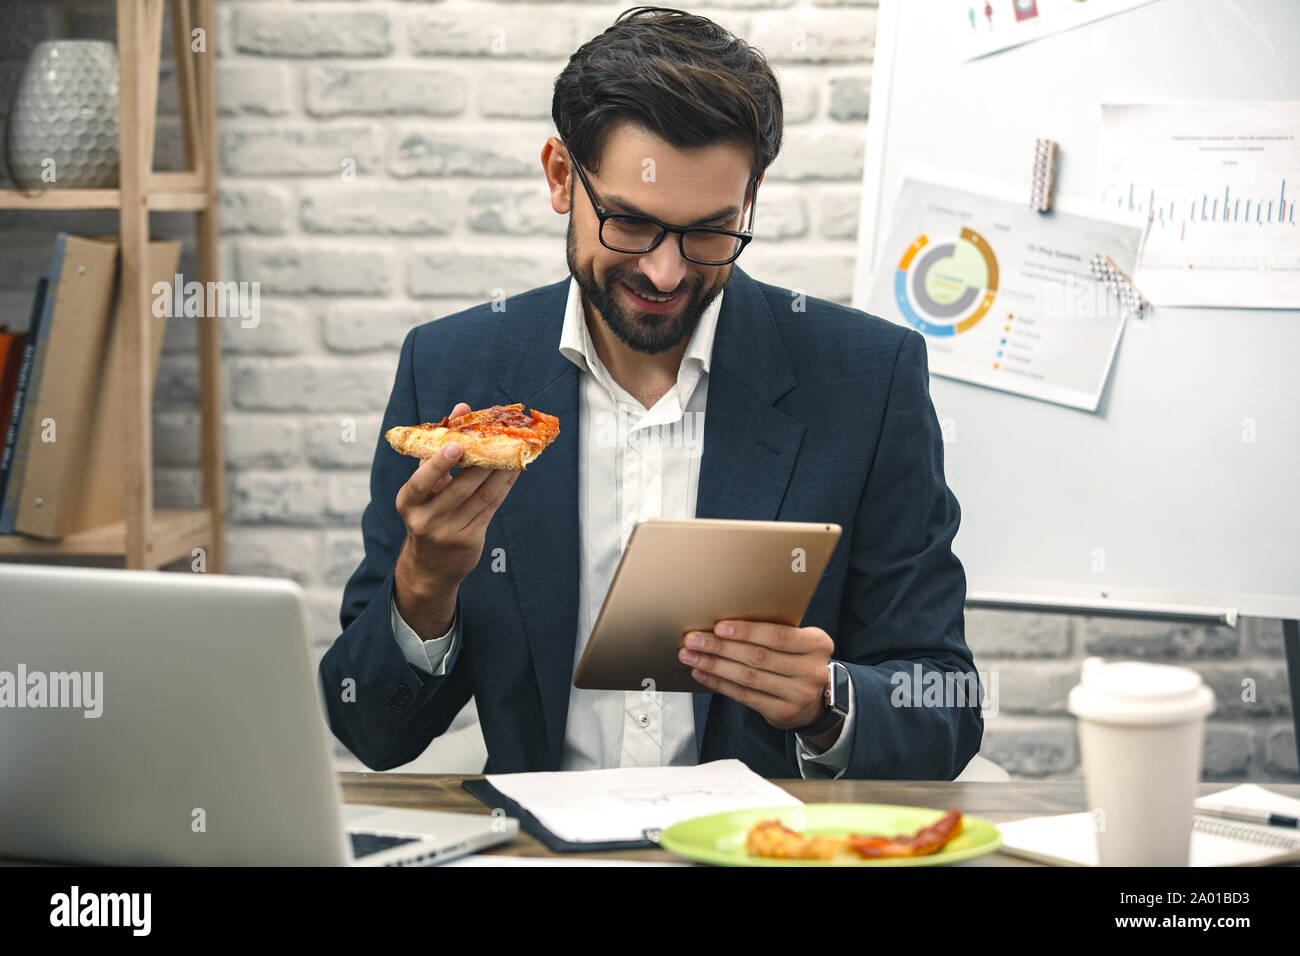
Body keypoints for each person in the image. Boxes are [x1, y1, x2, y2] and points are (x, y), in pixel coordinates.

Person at [319, 6, 984, 779]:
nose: (666, 273)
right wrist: (424, 583)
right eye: (630, 225)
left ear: (752, 197)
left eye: (709, 230)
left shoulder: (869, 380)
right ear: (562, 178)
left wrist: (827, 701)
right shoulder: (451, 370)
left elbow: (946, 702)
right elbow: (368, 728)